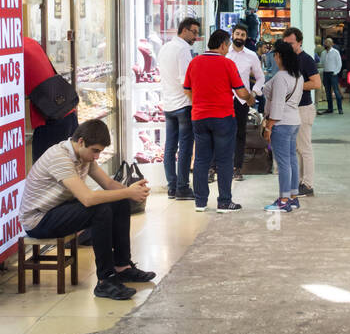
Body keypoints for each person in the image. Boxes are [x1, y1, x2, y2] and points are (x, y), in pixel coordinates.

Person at [19, 118, 155, 301]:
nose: (97, 156)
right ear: (81, 142)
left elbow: (107, 183)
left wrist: (131, 192)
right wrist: (127, 192)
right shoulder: (59, 157)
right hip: (38, 220)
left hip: (58, 209)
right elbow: (88, 198)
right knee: (101, 210)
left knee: (121, 202)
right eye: (95, 151)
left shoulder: (83, 155)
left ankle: (122, 268)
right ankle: (105, 281)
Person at [183, 29, 251, 213]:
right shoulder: (227, 63)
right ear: (222, 45)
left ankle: (200, 202)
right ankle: (224, 202)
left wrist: (199, 102)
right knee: (224, 160)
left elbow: (187, 89)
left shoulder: (194, 62)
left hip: (199, 117)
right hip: (223, 118)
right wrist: (251, 99)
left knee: (201, 160)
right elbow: (241, 92)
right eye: (228, 45)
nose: (228, 48)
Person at [157, 17, 200, 201]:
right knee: (185, 148)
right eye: (194, 32)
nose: (196, 37)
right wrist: (195, 101)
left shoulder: (165, 47)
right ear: (184, 30)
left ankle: (172, 187)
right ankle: (182, 188)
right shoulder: (183, 49)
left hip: (168, 104)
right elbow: (186, 81)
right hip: (183, 105)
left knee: (170, 148)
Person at [263, 39, 304, 214]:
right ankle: (293, 197)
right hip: (294, 121)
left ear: (278, 56)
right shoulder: (298, 76)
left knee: (284, 163)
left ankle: (283, 200)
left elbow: (278, 104)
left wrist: (268, 127)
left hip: (281, 123)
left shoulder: (280, 77)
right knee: (292, 159)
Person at [24, 36, 78, 163]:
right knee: (69, 168)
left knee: (43, 175)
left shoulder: (12, 49)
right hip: (67, 112)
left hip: (49, 119)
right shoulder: (30, 42)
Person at [283, 28, 322, 196]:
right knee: (296, 148)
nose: (288, 46)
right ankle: (299, 182)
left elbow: (316, 83)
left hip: (303, 108)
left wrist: (295, 86)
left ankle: (308, 184)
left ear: (299, 42)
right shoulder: (287, 59)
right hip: (291, 108)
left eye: (291, 43)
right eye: (285, 43)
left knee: (304, 148)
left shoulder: (306, 60)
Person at [227, 22, 263, 180]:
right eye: (237, 34)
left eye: (242, 35)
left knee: (240, 134)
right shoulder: (224, 53)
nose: (239, 37)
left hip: (242, 101)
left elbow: (261, 77)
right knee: (221, 133)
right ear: (232, 34)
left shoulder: (251, 55)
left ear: (246, 37)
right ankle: (215, 167)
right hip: (224, 99)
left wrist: (254, 93)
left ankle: (237, 168)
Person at [318, 37, 344, 115]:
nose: (326, 44)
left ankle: (340, 109)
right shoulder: (323, 53)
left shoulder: (335, 52)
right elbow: (321, 63)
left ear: (332, 44)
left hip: (333, 73)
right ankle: (330, 108)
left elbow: (339, 63)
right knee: (327, 92)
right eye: (325, 42)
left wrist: (336, 72)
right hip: (326, 73)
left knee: (336, 91)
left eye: (328, 42)